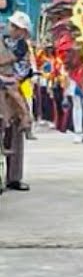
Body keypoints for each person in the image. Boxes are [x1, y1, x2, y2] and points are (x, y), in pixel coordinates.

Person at [0, 11, 34, 191]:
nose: (15, 31)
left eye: (19, 29)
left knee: (16, 132)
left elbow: (26, 69)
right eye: (14, 27)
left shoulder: (23, 47)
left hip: (14, 90)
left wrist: (14, 80)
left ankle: (14, 177)